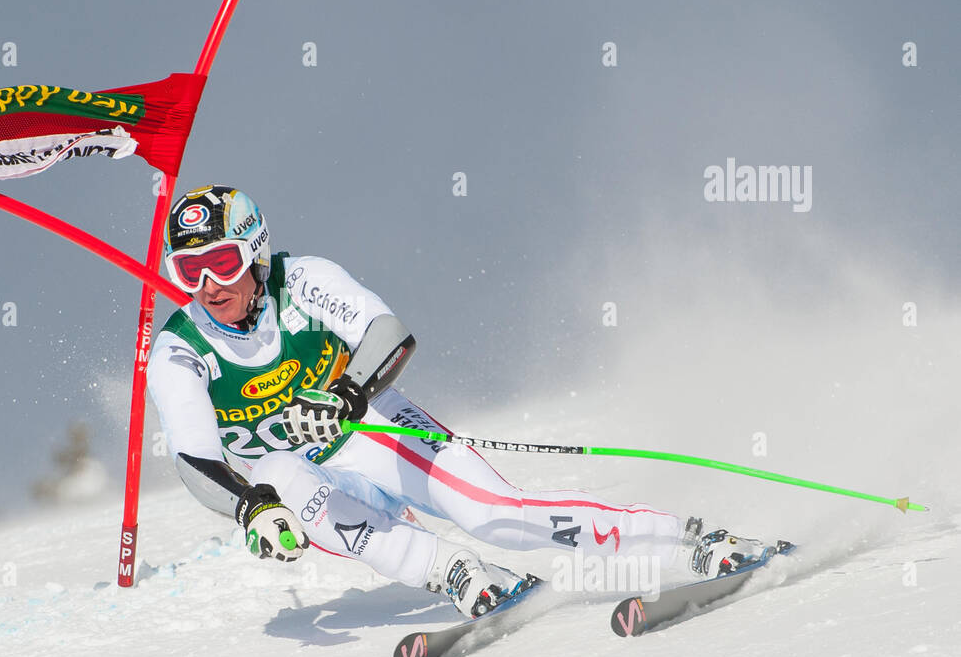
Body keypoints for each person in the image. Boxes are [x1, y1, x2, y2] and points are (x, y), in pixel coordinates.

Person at [146, 186, 772, 618]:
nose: (208, 285)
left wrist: (343, 394)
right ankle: (458, 573)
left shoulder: (303, 279)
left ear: (254, 250)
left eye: (222, 262)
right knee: (277, 477)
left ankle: (684, 541)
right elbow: (194, 458)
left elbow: (387, 335)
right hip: (312, 476)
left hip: (370, 431)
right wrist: (251, 508)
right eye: (188, 269)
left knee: (496, 515)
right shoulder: (179, 349)